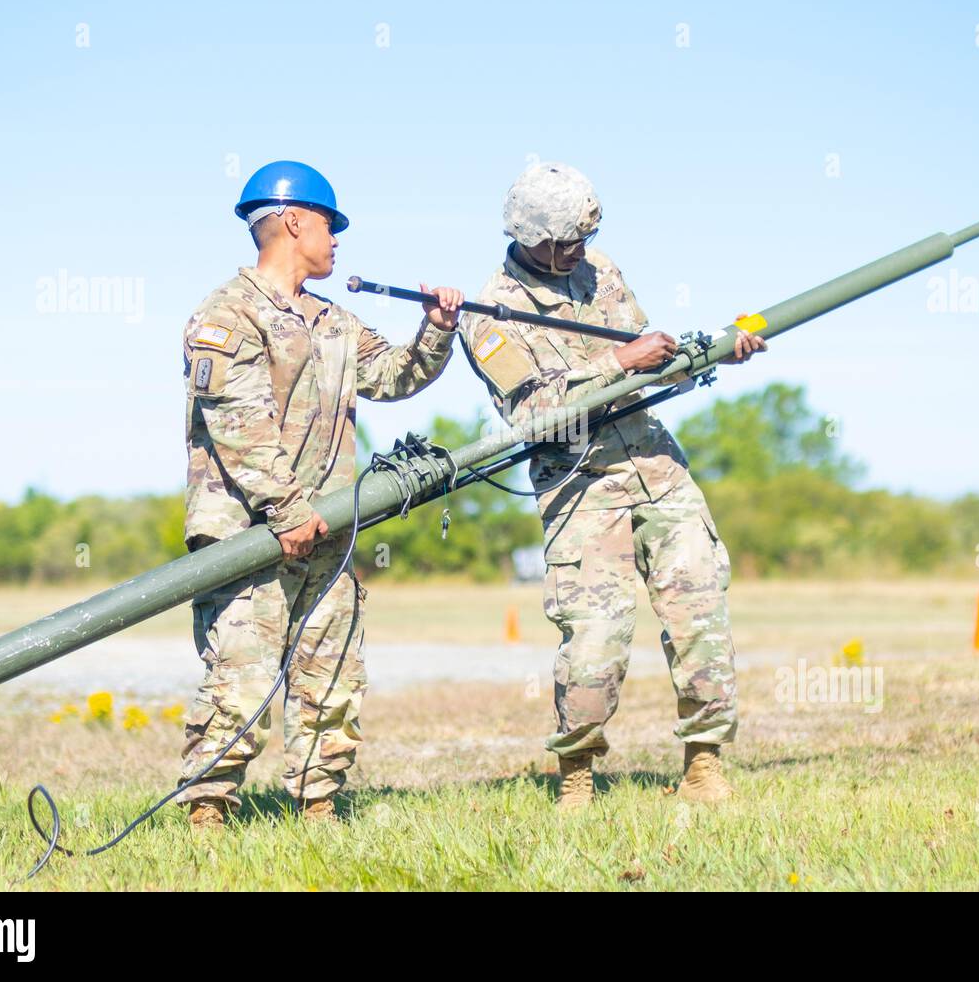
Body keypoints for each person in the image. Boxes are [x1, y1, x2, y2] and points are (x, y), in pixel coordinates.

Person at [460, 162, 766, 807]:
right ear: (528, 234)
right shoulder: (489, 313)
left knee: (699, 612)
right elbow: (532, 412)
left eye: (584, 236)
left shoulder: (602, 271)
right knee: (595, 637)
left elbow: (652, 362)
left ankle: (704, 765)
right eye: (565, 240)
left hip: (657, 466)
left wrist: (711, 352)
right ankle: (576, 774)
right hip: (579, 484)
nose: (577, 251)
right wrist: (621, 361)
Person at [177, 160, 463, 826]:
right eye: (330, 225)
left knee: (329, 680)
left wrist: (437, 327)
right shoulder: (226, 314)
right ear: (294, 221)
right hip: (250, 537)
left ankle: (319, 810)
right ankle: (207, 818)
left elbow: (394, 376)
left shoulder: (333, 321)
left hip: (325, 535)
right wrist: (288, 510)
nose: (337, 239)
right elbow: (237, 424)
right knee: (239, 681)